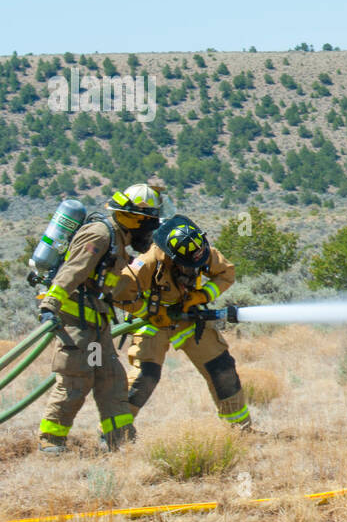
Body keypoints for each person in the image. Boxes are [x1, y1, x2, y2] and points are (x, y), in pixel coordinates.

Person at [36, 184, 161, 454]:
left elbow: (107, 285)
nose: (149, 232)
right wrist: (50, 304)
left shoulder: (117, 239)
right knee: (75, 381)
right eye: (148, 223)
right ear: (132, 218)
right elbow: (73, 271)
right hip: (74, 322)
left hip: (96, 323)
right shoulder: (100, 235)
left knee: (110, 379)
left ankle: (120, 440)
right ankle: (51, 442)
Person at [116, 214, 253, 432]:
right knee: (145, 377)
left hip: (188, 317)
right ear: (172, 255)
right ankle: (116, 431)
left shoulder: (198, 248)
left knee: (222, 368)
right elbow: (121, 292)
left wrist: (202, 296)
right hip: (152, 322)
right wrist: (152, 312)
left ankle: (240, 430)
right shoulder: (149, 262)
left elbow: (226, 273)